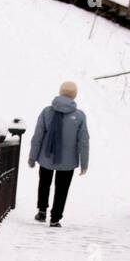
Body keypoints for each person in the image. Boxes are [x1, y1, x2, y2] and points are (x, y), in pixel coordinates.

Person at [27, 81, 90, 227]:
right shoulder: (79, 116)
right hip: (68, 162)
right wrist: (84, 164)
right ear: (74, 95)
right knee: (62, 189)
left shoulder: (47, 111)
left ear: (60, 92)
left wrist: (32, 157)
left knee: (44, 184)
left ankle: (42, 211)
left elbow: (38, 136)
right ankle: (55, 219)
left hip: (46, 157)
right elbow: (83, 141)